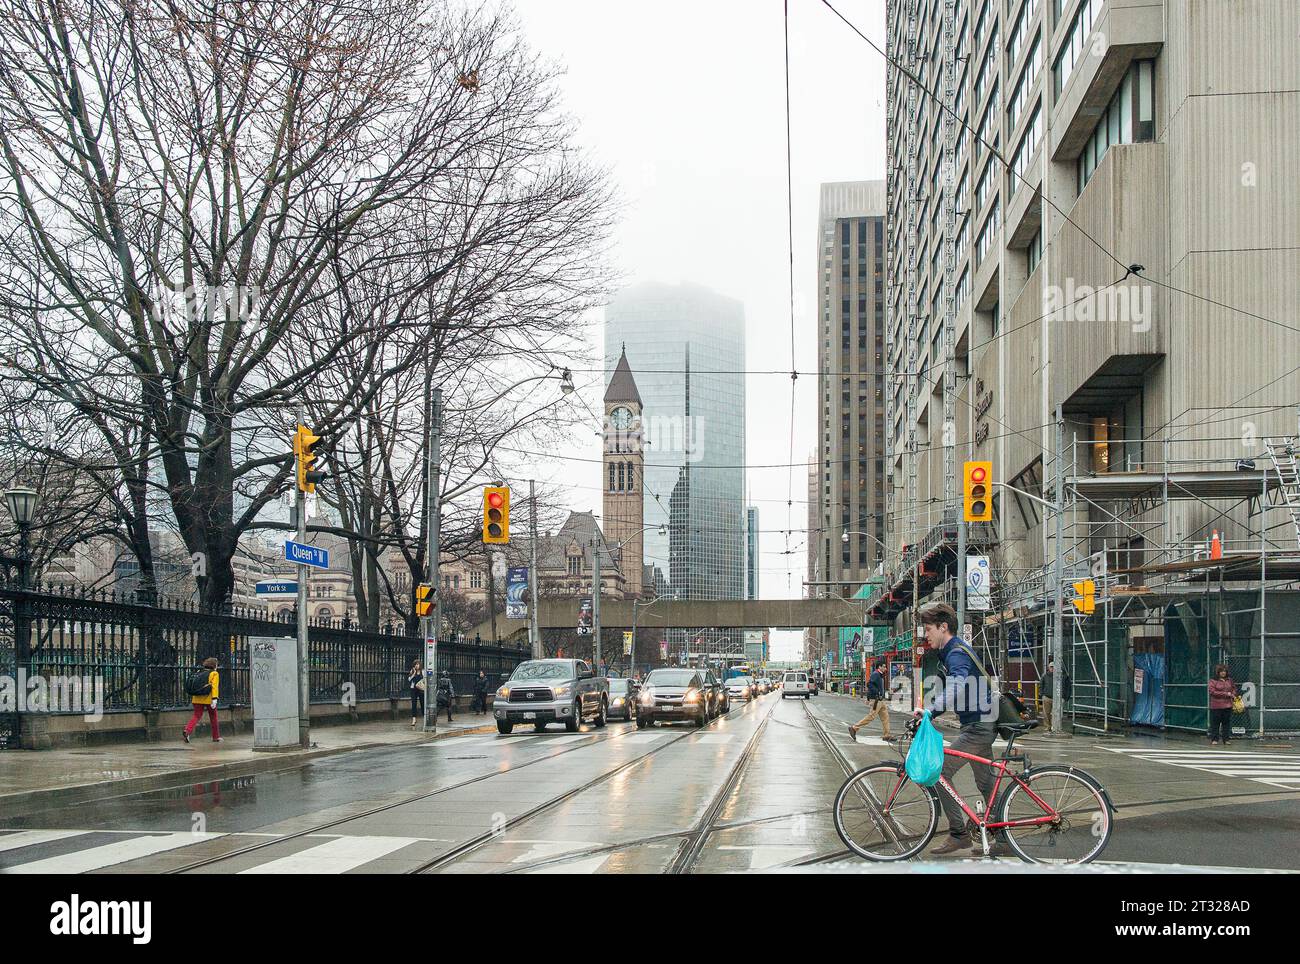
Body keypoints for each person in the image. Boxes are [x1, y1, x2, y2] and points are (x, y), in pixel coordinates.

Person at [915, 601, 1000, 856]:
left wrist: (930, 712)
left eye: (928, 629)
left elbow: (957, 686)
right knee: (986, 783)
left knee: (939, 773)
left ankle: (959, 834)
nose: (925, 635)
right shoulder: (951, 651)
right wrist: (931, 709)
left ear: (943, 627)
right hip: (977, 724)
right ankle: (1003, 837)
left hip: (978, 727)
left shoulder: (956, 652)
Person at [848, 660, 895, 742]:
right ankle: (854, 728)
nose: (885, 668)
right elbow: (869, 684)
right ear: (879, 667)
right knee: (871, 716)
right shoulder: (876, 674)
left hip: (881, 700)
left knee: (885, 717)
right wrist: (876, 693)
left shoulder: (880, 674)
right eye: (884, 666)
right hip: (876, 700)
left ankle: (886, 735)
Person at [182, 657, 222, 744]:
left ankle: (187, 730)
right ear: (214, 665)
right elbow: (214, 687)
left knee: (196, 716)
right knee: (213, 717)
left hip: (196, 698)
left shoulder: (198, 672)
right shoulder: (214, 674)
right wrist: (214, 698)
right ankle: (216, 737)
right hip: (208, 699)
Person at [1208, 663, 1238, 745]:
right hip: (1216, 706)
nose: (1223, 673)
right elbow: (1212, 692)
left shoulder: (1230, 680)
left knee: (1226, 723)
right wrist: (1226, 694)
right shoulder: (1213, 681)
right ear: (1218, 672)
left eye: (1224, 671)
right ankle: (1214, 739)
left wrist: (1233, 694)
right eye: (1221, 671)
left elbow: (1234, 688)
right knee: (1215, 723)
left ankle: (1226, 739)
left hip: (1228, 705)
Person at [1040, 660, 1071, 731]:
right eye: (1051, 667)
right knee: (1046, 713)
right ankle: (1048, 726)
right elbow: (1041, 685)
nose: (1053, 668)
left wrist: (1065, 697)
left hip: (1059, 698)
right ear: (1048, 668)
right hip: (1047, 697)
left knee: (1057, 713)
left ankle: (1056, 727)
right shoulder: (1045, 676)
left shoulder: (1064, 676)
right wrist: (1042, 694)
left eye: (1054, 667)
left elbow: (1068, 687)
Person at [409, 659, 425, 726]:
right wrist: (414, 673)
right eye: (415, 664)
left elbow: (425, 679)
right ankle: (414, 719)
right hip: (413, 689)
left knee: (422, 703)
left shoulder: (423, 671)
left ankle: (425, 718)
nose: (416, 666)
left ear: (420, 665)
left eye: (418, 664)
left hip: (421, 689)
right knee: (414, 704)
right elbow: (409, 679)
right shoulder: (412, 671)